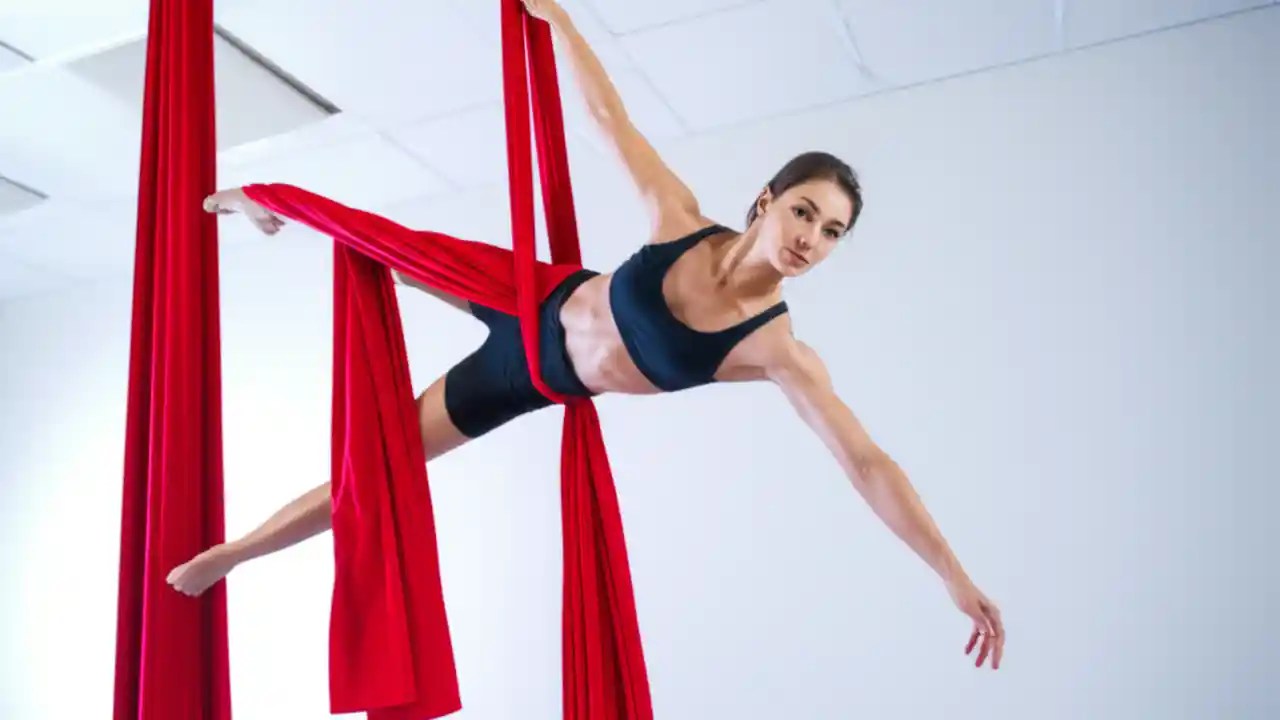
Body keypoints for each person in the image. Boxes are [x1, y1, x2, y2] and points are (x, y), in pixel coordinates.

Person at [174, 0, 1005, 670]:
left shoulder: (774, 349)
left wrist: (953, 577)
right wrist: (560, 19)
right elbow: (612, 122)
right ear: (766, 202)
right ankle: (264, 203)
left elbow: (867, 464)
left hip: (529, 380)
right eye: (805, 212)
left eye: (830, 233)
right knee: (380, 244)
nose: (810, 239)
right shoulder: (680, 221)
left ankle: (231, 556)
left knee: (375, 475)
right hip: (528, 296)